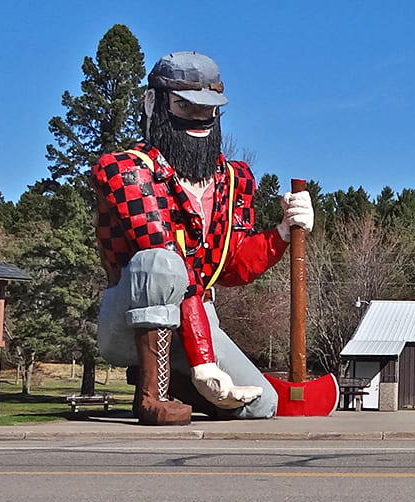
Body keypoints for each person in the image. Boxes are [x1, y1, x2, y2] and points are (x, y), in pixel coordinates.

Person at [89, 51, 313, 425]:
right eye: (184, 105)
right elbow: (170, 259)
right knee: (159, 264)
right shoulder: (126, 171)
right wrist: (204, 358)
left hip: (199, 320)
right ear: (153, 103)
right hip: (131, 317)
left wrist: (282, 233)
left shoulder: (233, 178)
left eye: (208, 109)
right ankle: (151, 395)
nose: (199, 118)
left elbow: (233, 266)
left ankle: (181, 383)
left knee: (261, 405)